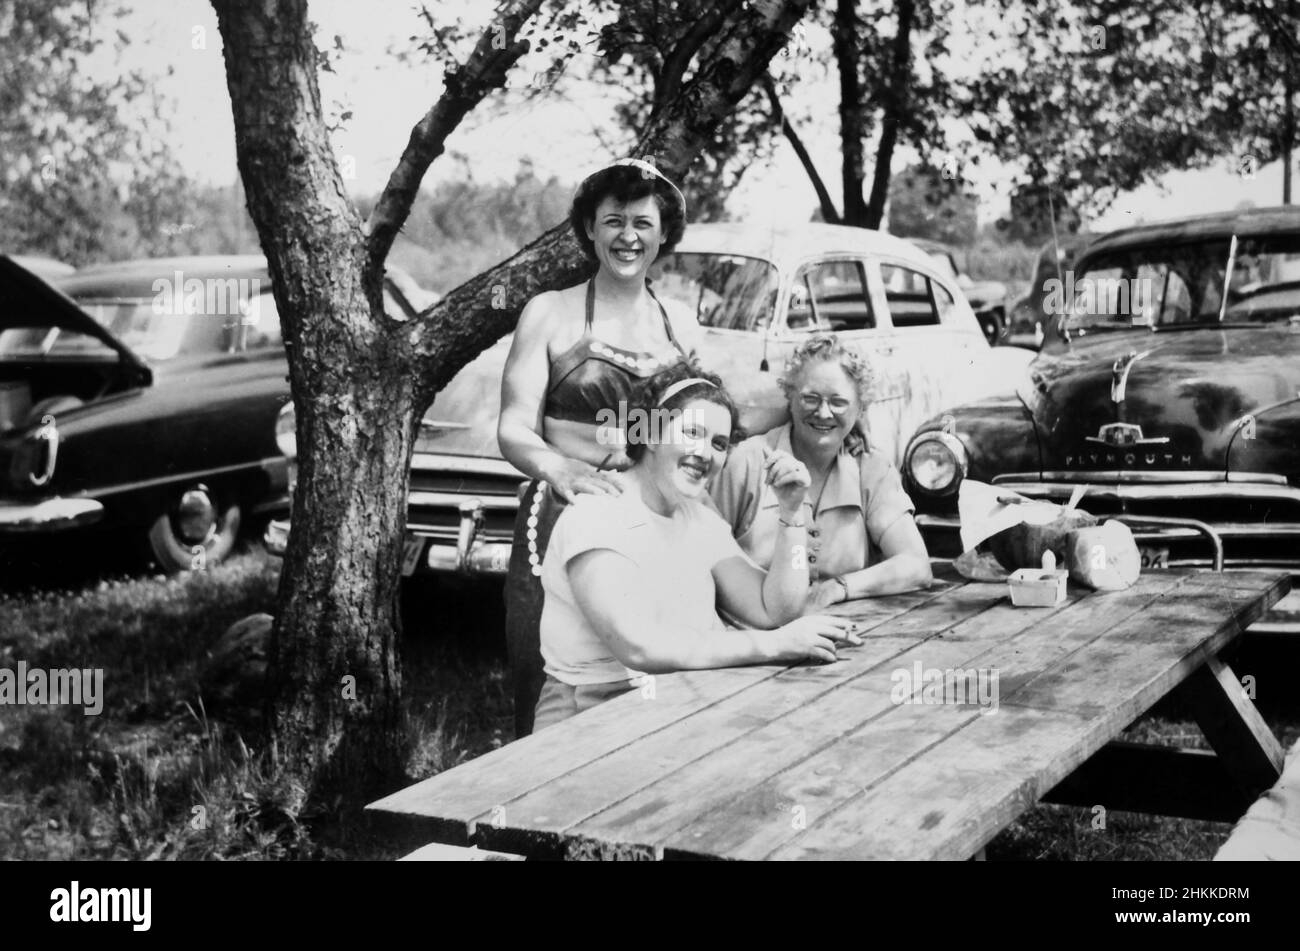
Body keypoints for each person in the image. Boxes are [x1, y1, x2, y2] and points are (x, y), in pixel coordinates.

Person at [532, 364, 859, 732]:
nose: (705, 453)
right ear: (651, 434)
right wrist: (775, 645)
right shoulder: (599, 511)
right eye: (691, 433)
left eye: (719, 444)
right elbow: (638, 647)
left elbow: (775, 609)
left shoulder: (698, 519)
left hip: (677, 700)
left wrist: (792, 513)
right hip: (591, 714)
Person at [498, 158, 703, 736]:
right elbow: (513, 427)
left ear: (664, 233)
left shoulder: (681, 323)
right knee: (552, 684)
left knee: (650, 682)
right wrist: (558, 467)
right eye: (613, 221)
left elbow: (716, 416)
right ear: (590, 228)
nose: (628, 237)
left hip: (656, 523)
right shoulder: (550, 312)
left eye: (642, 222)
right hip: (563, 517)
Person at [711, 333, 932, 611]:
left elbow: (915, 565)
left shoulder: (870, 466)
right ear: (789, 398)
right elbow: (704, 556)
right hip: (750, 630)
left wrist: (839, 587)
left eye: (838, 402)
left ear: (861, 408)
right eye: (810, 398)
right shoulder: (748, 461)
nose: (824, 413)